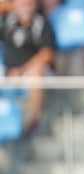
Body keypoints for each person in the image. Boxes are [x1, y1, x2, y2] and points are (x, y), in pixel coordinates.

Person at [0, 0, 56, 135]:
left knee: (36, 74)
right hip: (9, 71)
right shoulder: (10, 21)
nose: (25, 7)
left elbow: (47, 55)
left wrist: (21, 70)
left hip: (30, 72)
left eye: (29, 3)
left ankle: (35, 122)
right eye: (21, 3)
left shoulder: (42, 23)